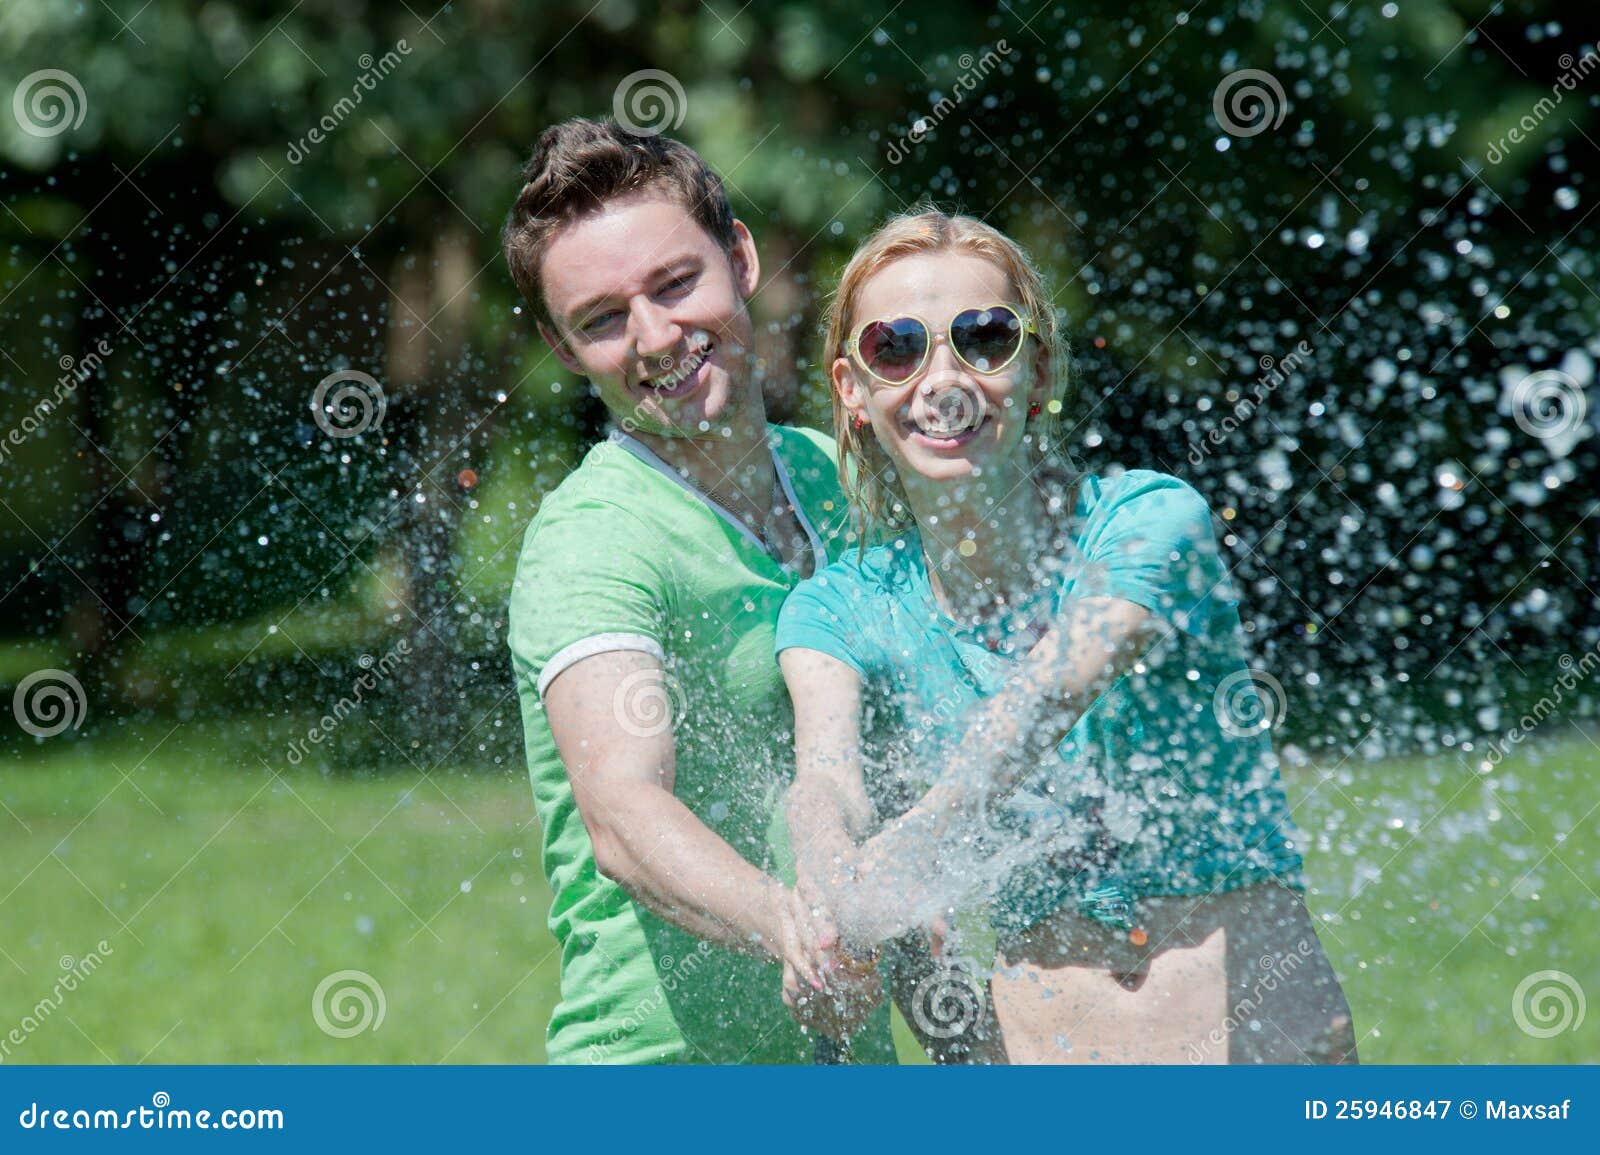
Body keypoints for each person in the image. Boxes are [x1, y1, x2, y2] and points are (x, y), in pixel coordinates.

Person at [775, 207, 1358, 1063]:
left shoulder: (1150, 522)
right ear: (853, 392)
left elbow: (1055, 687)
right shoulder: (838, 610)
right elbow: (826, 783)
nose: (944, 379)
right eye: (896, 347)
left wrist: (908, 852)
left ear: (1038, 367)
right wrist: (833, 908)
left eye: (984, 338)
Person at [500, 118, 894, 1063]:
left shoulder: (840, 480)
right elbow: (626, 817)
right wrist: (795, 930)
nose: (654, 334)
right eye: (601, 318)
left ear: (741, 257)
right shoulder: (592, 540)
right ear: (563, 349)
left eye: (676, 283)